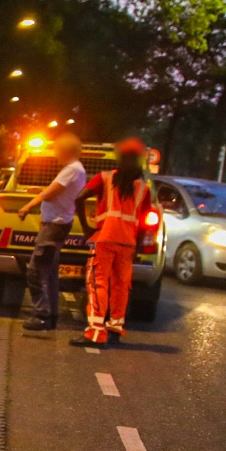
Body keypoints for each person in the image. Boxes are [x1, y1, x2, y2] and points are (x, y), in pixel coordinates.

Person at [72, 138, 154, 346]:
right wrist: (137, 245)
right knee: (120, 285)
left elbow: (79, 198)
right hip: (127, 244)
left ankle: (96, 332)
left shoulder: (105, 179)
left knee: (97, 282)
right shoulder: (143, 188)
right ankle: (115, 328)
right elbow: (144, 220)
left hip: (104, 239)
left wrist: (86, 228)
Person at [15, 133, 86, 331]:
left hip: (54, 227)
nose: (55, 154)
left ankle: (42, 315)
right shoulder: (76, 170)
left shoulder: (71, 169)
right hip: (57, 226)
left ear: (65, 150)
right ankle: (51, 315)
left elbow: (51, 192)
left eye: (57, 150)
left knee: (35, 272)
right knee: (50, 273)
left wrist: (28, 206)